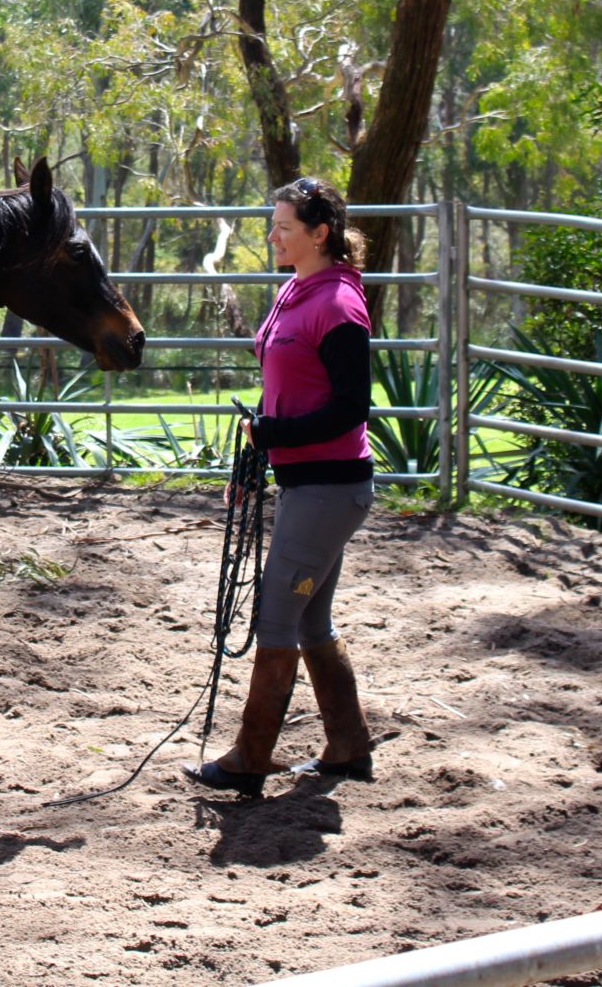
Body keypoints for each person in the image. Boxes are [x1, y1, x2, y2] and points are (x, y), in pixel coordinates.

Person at [185, 176, 376, 798]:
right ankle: (348, 748)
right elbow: (277, 394)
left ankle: (251, 755)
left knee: (275, 614)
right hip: (308, 482)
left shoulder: (339, 306)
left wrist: (273, 434)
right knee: (311, 619)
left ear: (319, 234)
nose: (273, 235)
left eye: (284, 227)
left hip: (328, 486)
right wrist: (254, 461)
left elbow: (351, 409)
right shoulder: (294, 292)